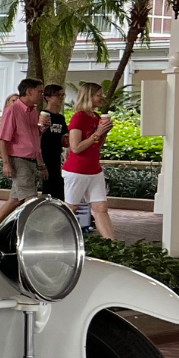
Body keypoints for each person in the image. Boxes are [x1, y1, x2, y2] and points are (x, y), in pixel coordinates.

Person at [64, 81, 115, 240]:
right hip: (77, 170)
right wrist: (98, 133)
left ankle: (111, 244)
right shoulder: (79, 117)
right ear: (89, 96)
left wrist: (104, 132)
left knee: (101, 207)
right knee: (71, 207)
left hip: (94, 169)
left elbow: (97, 145)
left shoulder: (96, 117)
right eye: (98, 95)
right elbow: (76, 148)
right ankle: (56, 236)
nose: (102, 98)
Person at [0, 78, 46, 229]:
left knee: (15, 199)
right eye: (39, 91)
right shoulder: (12, 111)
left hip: (31, 160)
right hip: (18, 160)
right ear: (29, 92)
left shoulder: (33, 112)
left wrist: (41, 163)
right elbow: (3, 139)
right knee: (31, 199)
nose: (41, 95)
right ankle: (35, 230)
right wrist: (6, 163)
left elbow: (34, 139)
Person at [38, 84, 67, 201]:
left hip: (56, 156)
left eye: (62, 95)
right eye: (58, 95)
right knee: (48, 188)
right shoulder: (42, 115)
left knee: (58, 187)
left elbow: (64, 136)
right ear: (48, 97)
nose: (61, 98)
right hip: (44, 155)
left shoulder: (60, 118)